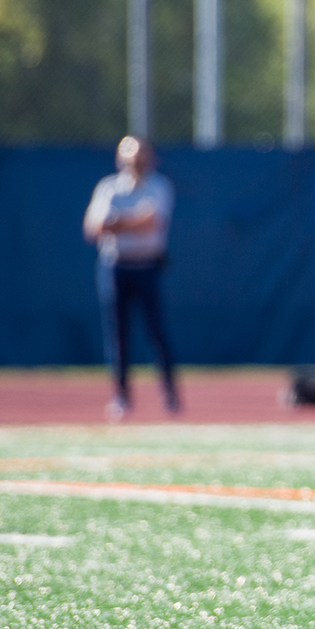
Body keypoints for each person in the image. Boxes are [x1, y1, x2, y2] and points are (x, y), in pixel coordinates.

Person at [83, 136, 180, 421]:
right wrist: (130, 220)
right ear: (120, 157)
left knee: (156, 332)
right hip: (115, 266)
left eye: (141, 155)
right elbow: (93, 228)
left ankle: (170, 393)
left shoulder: (159, 186)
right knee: (118, 334)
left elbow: (151, 221)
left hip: (147, 266)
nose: (136, 161)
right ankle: (121, 396)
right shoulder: (108, 187)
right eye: (130, 155)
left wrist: (115, 223)